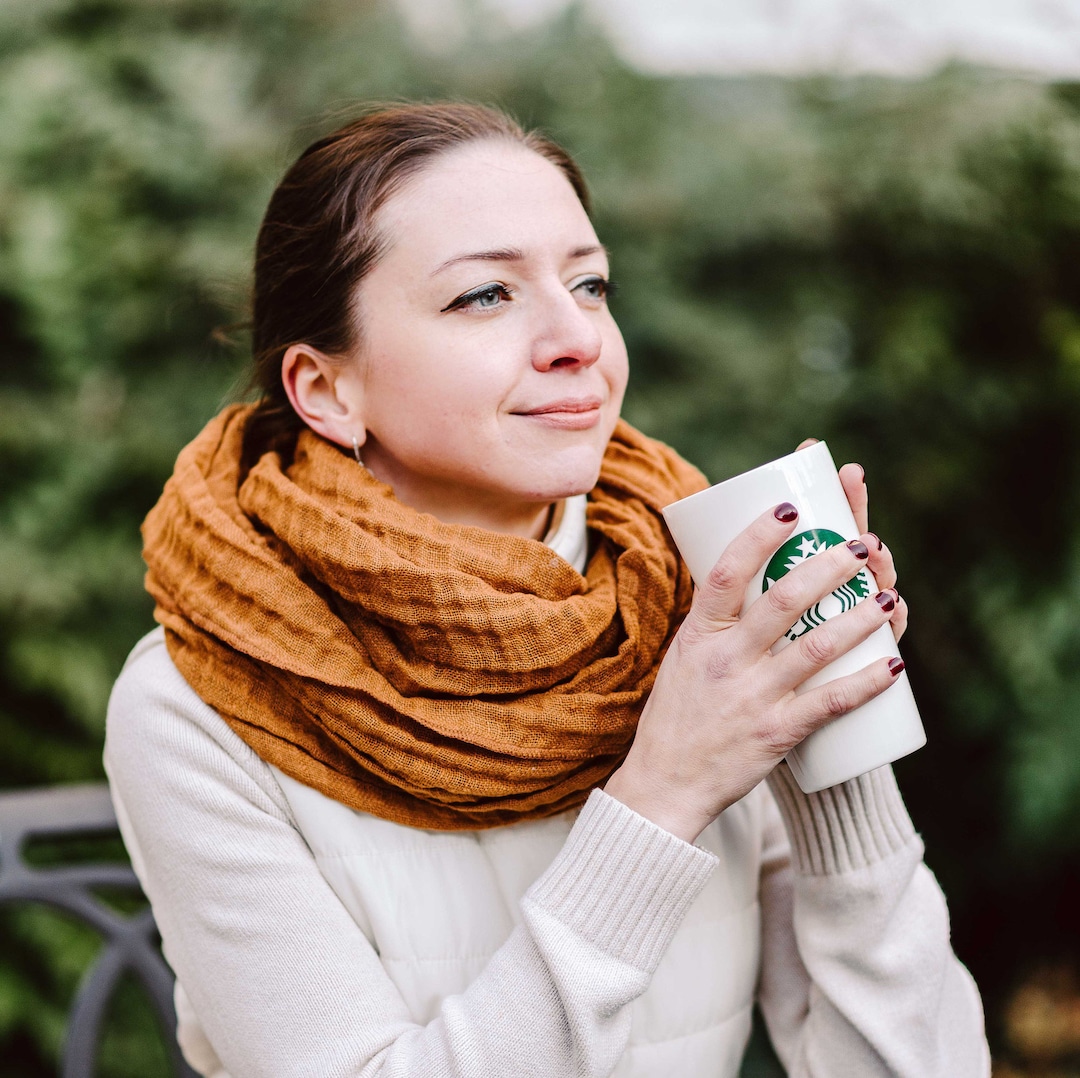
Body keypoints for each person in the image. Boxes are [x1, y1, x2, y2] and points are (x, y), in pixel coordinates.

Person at [105, 102, 990, 1077]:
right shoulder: (195, 704)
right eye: (485, 294)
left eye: (590, 283)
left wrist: (828, 718)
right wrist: (666, 789)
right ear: (326, 390)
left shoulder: (690, 600)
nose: (578, 339)